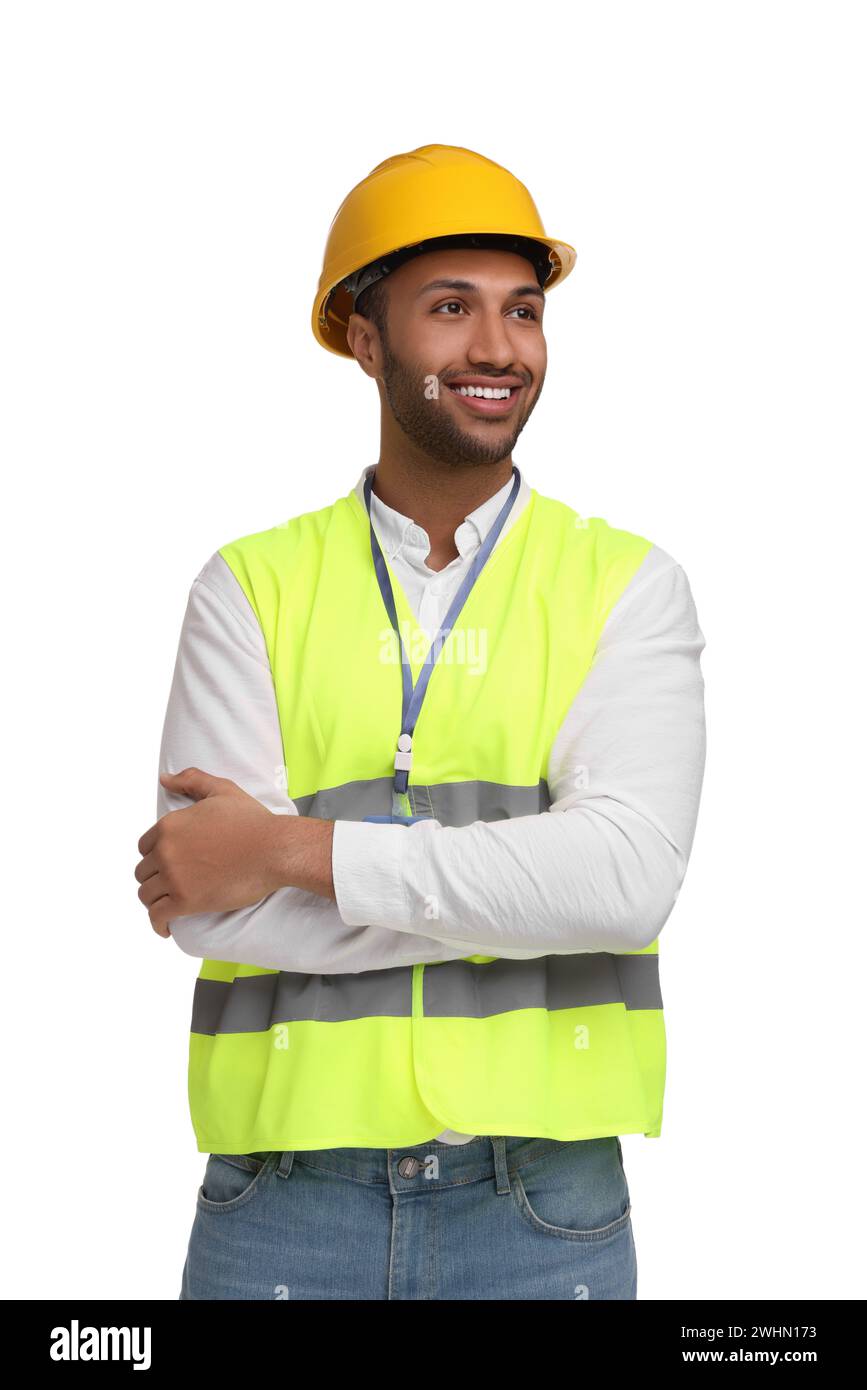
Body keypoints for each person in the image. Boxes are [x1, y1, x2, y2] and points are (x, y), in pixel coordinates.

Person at [134, 144, 707, 1301]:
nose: (499, 348)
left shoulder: (630, 586)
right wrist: (527, 900)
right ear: (362, 336)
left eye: (523, 311)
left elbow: (626, 881)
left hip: (540, 1205)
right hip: (284, 1198)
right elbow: (207, 910)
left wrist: (289, 854)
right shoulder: (250, 587)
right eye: (452, 309)